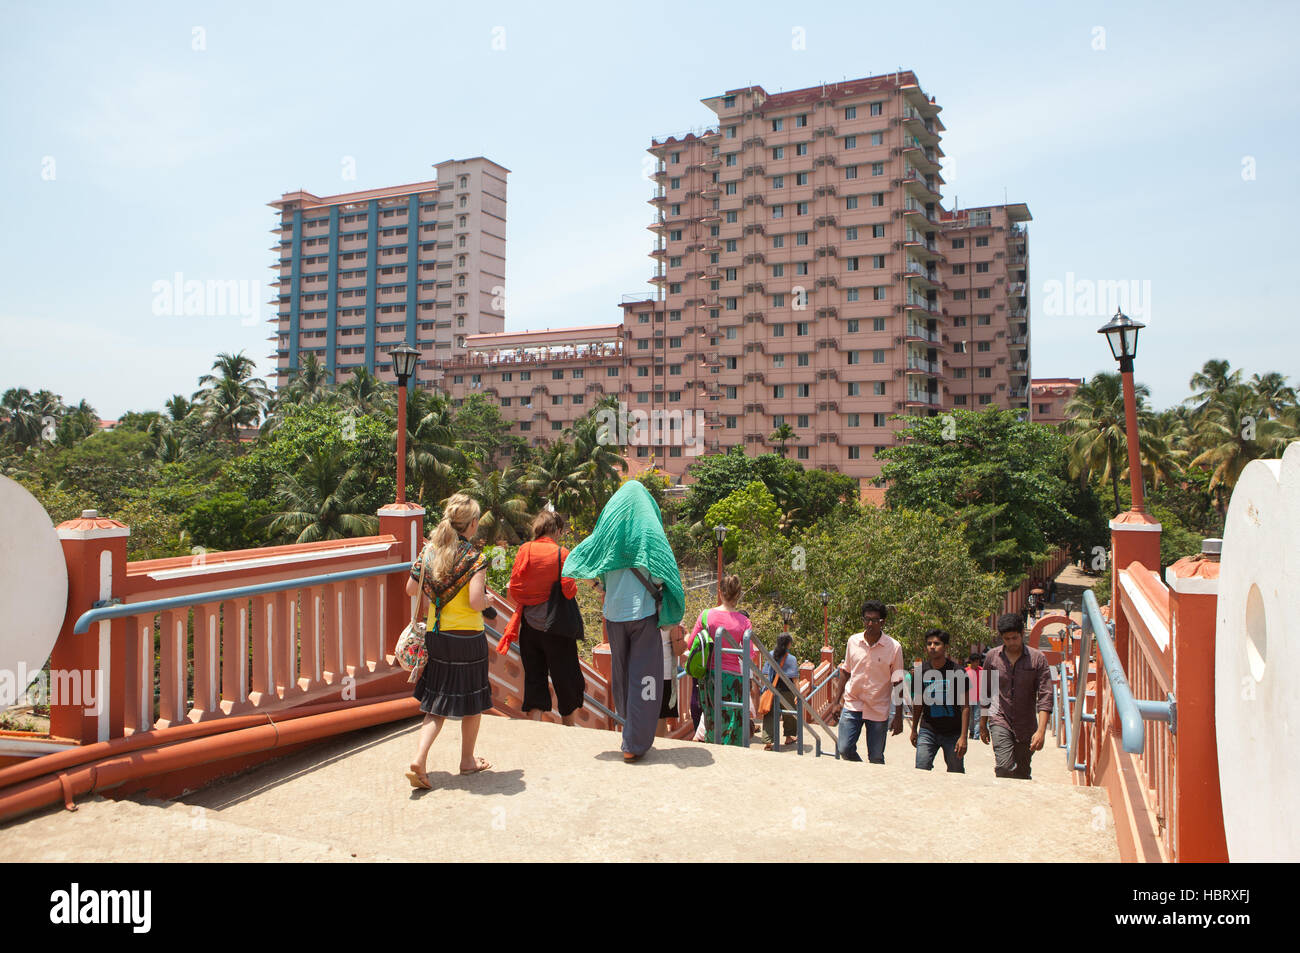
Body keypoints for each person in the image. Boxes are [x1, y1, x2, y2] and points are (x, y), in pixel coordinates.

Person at [559, 481, 684, 762]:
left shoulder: (609, 537)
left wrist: (600, 587)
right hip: (643, 615)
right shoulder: (648, 534)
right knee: (646, 678)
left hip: (614, 616)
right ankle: (634, 743)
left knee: (623, 675)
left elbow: (580, 562)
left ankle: (629, 728)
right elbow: (664, 575)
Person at [404, 493, 492, 789]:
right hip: (468, 637)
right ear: (473, 524)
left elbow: (409, 589)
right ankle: (467, 761)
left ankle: (419, 757)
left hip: (437, 634)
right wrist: (489, 599)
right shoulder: (474, 558)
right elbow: (477, 601)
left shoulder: (428, 552)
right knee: (473, 699)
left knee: (437, 701)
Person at [504, 509, 584, 726]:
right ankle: (569, 729)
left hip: (530, 628)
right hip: (557, 628)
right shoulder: (563, 554)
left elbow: (515, 587)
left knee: (535, 680)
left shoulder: (524, 550)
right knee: (566, 680)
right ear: (557, 530)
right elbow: (569, 591)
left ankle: (535, 731)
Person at [979, 613, 1054, 779]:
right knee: (1004, 766)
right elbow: (986, 692)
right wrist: (983, 723)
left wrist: (1041, 731)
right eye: (1007, 639)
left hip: (1026, 725)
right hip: (999, 718)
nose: (1011, 643)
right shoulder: (992, 658)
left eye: (1015, 638)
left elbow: (1045, 696)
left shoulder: (1037, 659)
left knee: (1022, 771)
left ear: (1022, 634)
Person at [688, 574, 759, 746]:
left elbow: (692, 643)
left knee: (712, 719)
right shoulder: (744, 622)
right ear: (738, 594)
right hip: (733, 678)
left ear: (720, 592)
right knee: (732, 721)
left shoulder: (706, 616)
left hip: (709, 677)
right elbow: (749, 655)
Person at [834, 599, 904, 764]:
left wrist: (899, 715)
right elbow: (846, 671)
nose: (869, 623)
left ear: (882, 622)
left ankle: (876, 784)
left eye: (874, 620)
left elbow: (898, 682)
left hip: (878, 708)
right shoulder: (853, 641)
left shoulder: (894, 647)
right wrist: (836, 701)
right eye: (866, 619)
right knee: (844, 748)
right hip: (853, 703)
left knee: (876, 756)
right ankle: (862, 771)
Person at [910, 629, 969, 773]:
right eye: (929, 643)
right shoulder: (920, 672)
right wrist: (914, 729)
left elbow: (966, 706)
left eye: (936, 643)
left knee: (956, 772)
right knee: (921, 768)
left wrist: (963, 737)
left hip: (953, 732)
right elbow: (918, 703)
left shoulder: (958, 672)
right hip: (928, 729)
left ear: (946, 647)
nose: (932, 646)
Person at [760, 632, 799, 750]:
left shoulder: (770, 654)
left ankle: (768, 742)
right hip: (787, 691)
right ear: (788, 644)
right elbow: (795, 679)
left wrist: (765, 689)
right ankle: (788, 737)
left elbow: (765, 674)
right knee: (790, 714)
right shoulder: (791, 659)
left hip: (772, 689)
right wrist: (798, 694)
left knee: (769, 715)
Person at [965, 653, 984, 740]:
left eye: (978, 662)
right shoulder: (965, 671)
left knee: (977, 717)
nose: (977, 664)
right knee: (970, 717)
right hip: (968, 698)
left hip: (979, 698)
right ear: (971, 662)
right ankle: (971, 732)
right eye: (975, 662)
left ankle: (976, 735)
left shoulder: (982, 670)